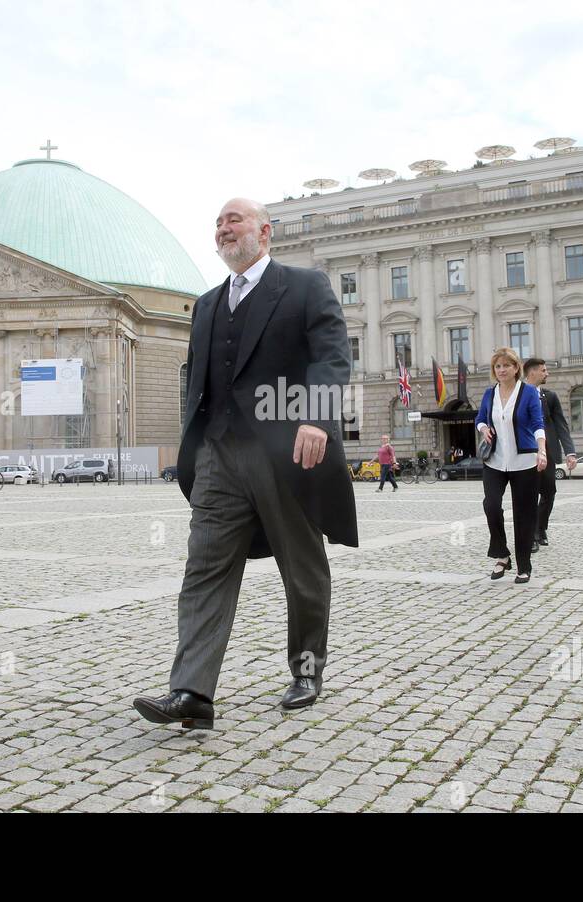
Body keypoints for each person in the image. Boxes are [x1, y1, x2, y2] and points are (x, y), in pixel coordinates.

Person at [134, 197, 356, 731]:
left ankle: (306, 670)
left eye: (234, 219)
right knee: (204, 569)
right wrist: (196, 444)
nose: (223, 228)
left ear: (265, 231)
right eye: (217, 222)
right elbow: (202, 383)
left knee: (301, 570)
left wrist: (315, 420)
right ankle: (191, 692)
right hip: (218, 456)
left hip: (286, 452)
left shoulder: (305, 286)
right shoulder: (207, 304)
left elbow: (332, 356)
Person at [475, 347, 547, 584]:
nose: (501, 370)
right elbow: (480, 419)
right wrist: (484, 428)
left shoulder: (528, 393)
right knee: (491, 505)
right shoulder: (489, 393)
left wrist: (542, 450)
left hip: (524, 461)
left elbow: (537, 423)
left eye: (506, 365)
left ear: (516, 368)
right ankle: (502, 554)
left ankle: (523, 565)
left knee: (524, 515)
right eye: (498, 366)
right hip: (495, 461)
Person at [524, 359, 575, 553]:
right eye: (544, 370)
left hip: (549, 452)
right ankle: (532, 535)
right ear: (532, 372)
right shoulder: (518, 394)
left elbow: (561, 424)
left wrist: (570, 451)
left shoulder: (549, 397)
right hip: (526, 452)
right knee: (527, 495)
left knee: (548, 492)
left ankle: (540, 527)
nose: (548, 374)